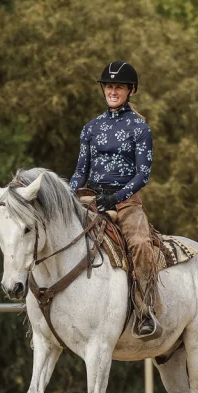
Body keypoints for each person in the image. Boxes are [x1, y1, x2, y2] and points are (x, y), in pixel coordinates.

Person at [70, 60, 161, 340]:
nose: (112, 91)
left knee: (141, 244)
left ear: (130, 90)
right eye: (109, 86)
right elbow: (80, 172)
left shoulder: (140, 128)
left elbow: (142, 175)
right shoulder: (90, 128)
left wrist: (117, 198)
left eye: (118, 87)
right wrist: (67, 194)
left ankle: (145, 311)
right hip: (92, 199)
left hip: (126, 202)